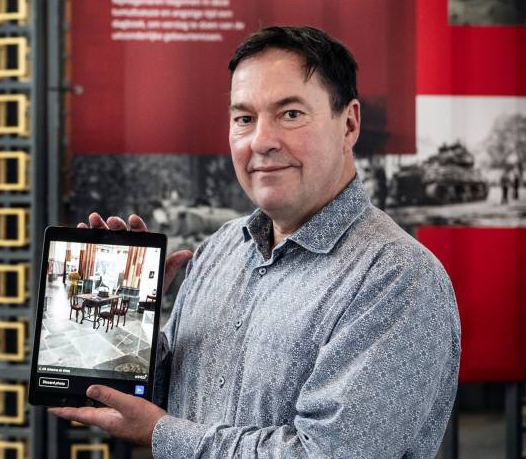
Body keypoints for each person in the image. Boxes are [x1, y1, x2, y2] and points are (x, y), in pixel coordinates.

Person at [51, 26, 461, 458]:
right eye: (244, 118)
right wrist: (120, 323)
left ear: (350, 124)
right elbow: (165, 398)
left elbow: (325, 454)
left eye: (290, 114)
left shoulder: (398, 280)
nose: (262, 141)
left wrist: (162, 435)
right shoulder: (219, 250)